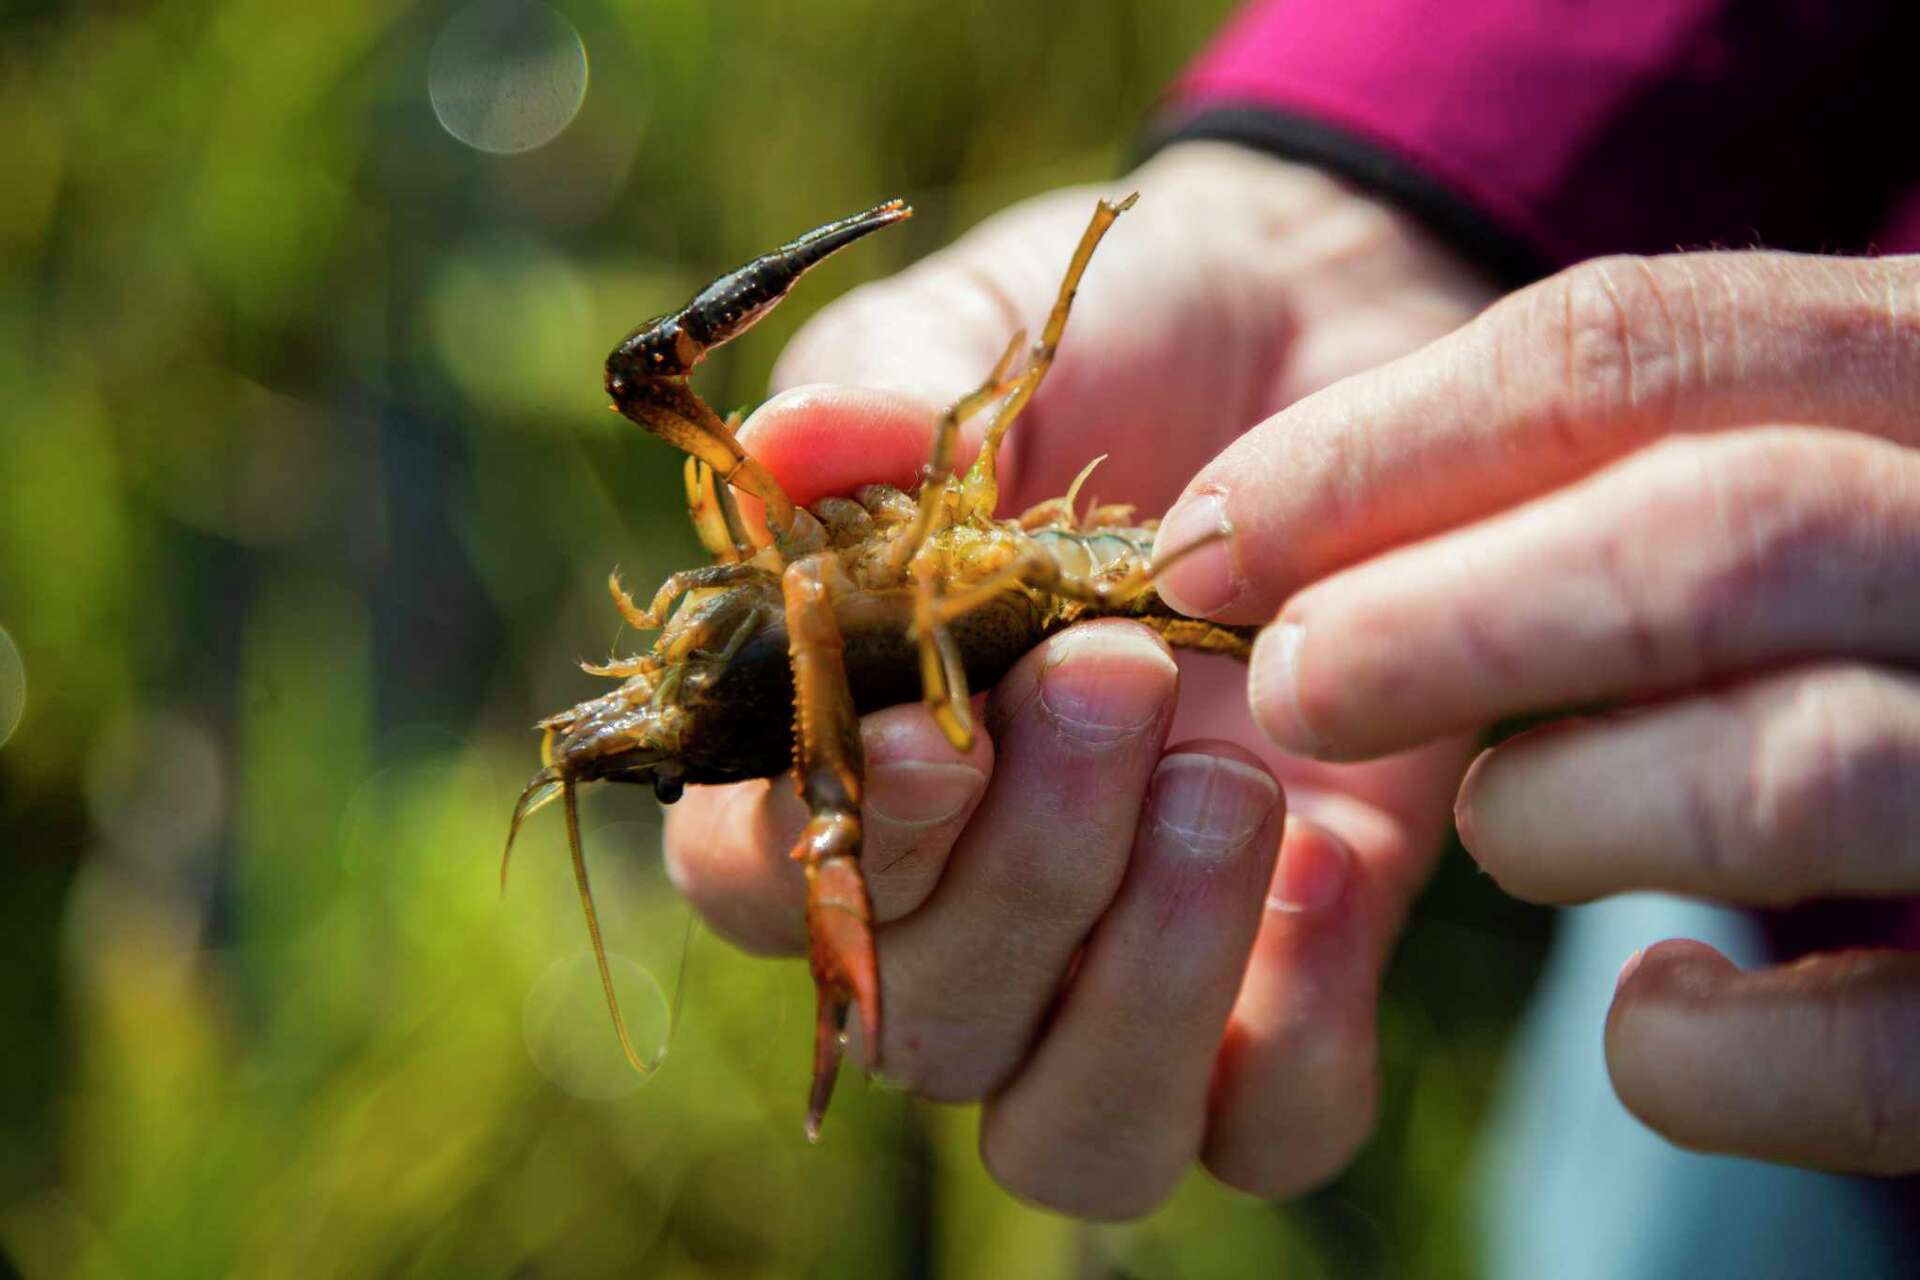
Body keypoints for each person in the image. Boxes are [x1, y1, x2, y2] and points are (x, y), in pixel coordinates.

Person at [659, 0, 1920, 1240]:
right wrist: (1342, 200)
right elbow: (944, 481)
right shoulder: (838, 607)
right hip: (1790, 856)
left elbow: (942, 476)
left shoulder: (811, 585)